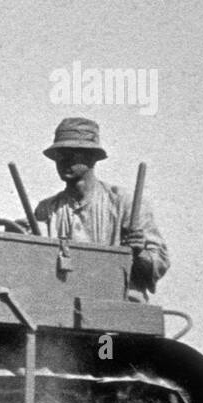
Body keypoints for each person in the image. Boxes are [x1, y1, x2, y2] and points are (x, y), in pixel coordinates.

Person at [33, 117, 169, 297]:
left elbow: (158, 264)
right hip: (62, 306)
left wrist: (140, 253)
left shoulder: (125, 203)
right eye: (59, 155)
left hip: (117, 307)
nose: (63, 161)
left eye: (72, 153)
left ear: (92, 157)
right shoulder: (47, 209)